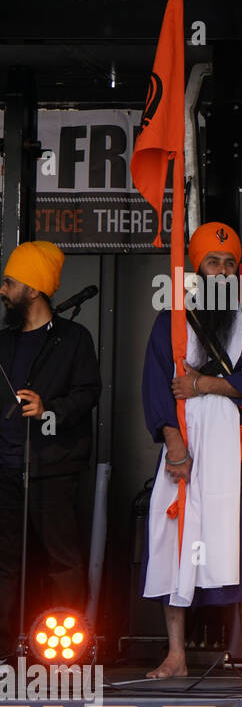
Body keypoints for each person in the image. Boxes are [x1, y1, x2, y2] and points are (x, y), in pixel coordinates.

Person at [141, 222, 242, 679]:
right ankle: (177, 655)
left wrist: (203, 384)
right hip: (186, 451)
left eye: (229, 263)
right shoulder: (172, 320)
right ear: (197, 270)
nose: (222, 270)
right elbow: (156, 387)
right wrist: (175, 447)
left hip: (236, 451)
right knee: (176, 548)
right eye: (213, 262)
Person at [0, 241, 101, 639]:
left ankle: (65, 648)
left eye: (9, 283)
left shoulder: (74, 338)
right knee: (6, 563)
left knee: (63, 563)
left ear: (34, 289)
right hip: (5, 470)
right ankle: (5, 650)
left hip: (52, 468)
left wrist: (49, 410)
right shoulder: (3, 341)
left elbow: (88, 393)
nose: (3, 291)